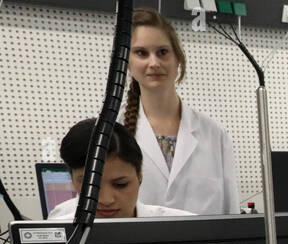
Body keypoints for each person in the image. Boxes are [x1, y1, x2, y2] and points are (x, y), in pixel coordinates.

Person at [121, 9, 239, 215]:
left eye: (162, 52)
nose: (154, 63)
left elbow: (231, 213)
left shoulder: (214, 134)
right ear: (128, 63)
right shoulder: (111, 133)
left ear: (178, 59)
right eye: (141, 53)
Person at [47, 120, 191, 219]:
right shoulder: (57, 230)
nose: (106, 199)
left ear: (139, 175)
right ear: (72, 178)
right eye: (91, 185)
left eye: (120, 184)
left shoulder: (188, 229)